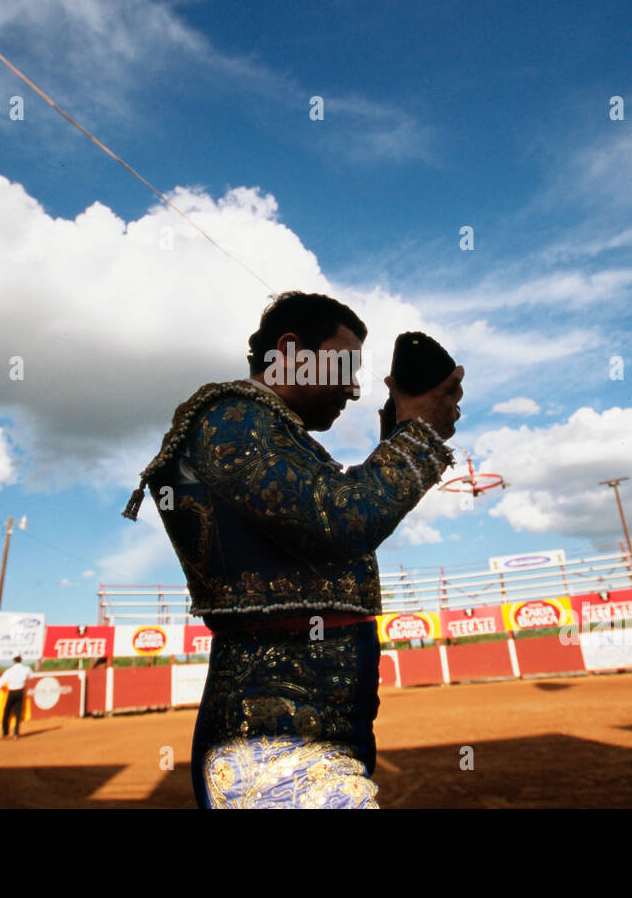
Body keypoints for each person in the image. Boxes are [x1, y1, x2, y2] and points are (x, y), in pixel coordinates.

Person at [124, 291, 462, 808]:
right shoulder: (229, 419)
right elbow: (342, 521)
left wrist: (400, 432)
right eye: (346, 366)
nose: (353, 388)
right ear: (292, 351)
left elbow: (329, 521)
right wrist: (415, 432)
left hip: (305, 732)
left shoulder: (271, 432)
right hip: (271, 738)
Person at [0, 655, 31, 739]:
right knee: (18, 713)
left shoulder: (9, 671)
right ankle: (16, 733)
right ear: (21, 660)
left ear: (14, 661)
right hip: (20, 692)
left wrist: (4, 688)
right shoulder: (26, 669)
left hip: (11, 692)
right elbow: (31, 677)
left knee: (6, 712)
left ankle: (5, 733)